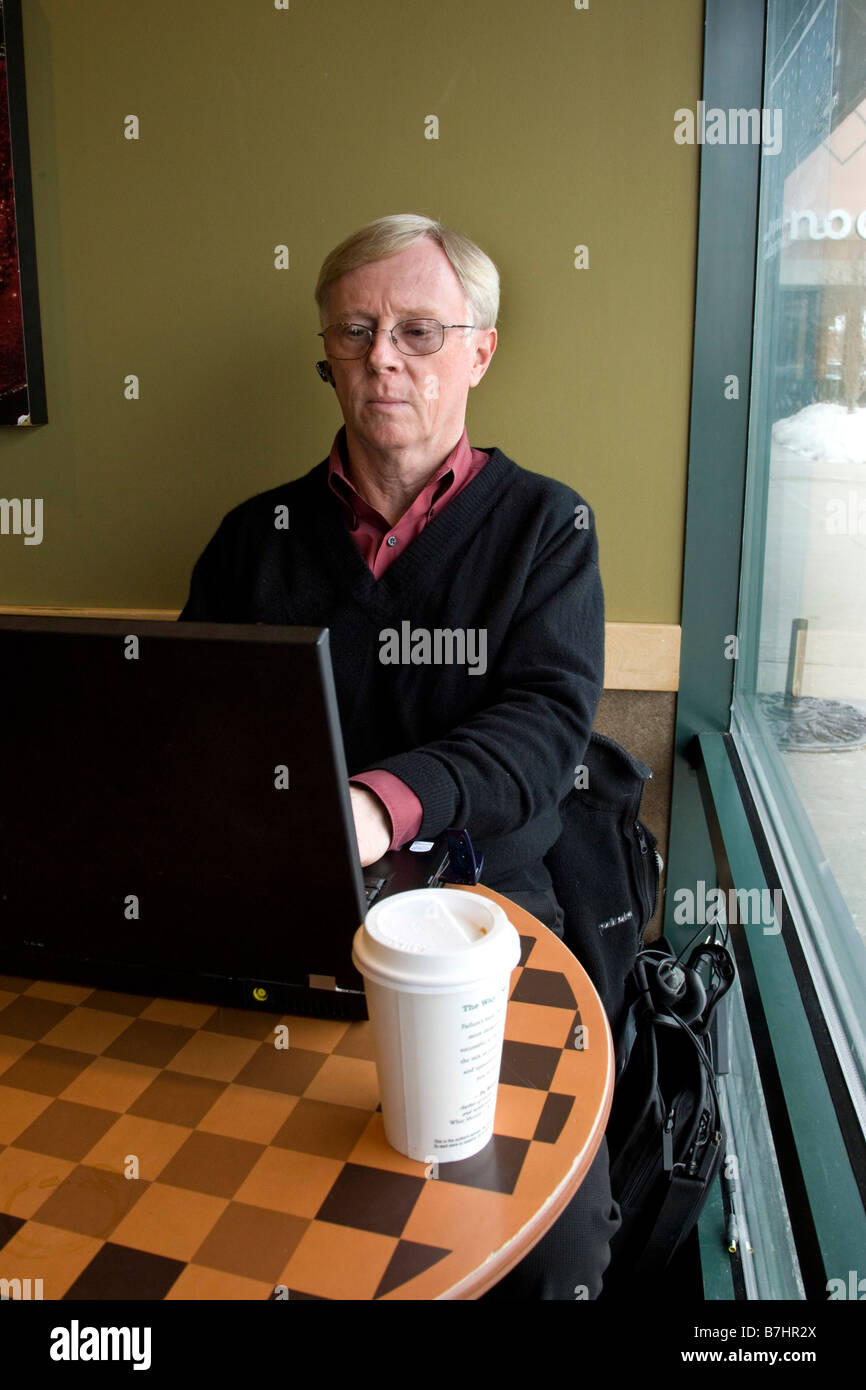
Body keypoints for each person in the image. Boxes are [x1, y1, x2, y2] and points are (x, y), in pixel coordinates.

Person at [179, 213, 620, 1298]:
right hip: (283, 917)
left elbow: (540, 732)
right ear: (325, 355)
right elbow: (192, 728)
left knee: (545, 1253)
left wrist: (378, 805)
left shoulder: (546, 529)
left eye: (419, 331)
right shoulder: (252, 540)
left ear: (478, 351)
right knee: (230, 1197)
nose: (384, 355)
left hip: (489, 910)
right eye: (356, 330)